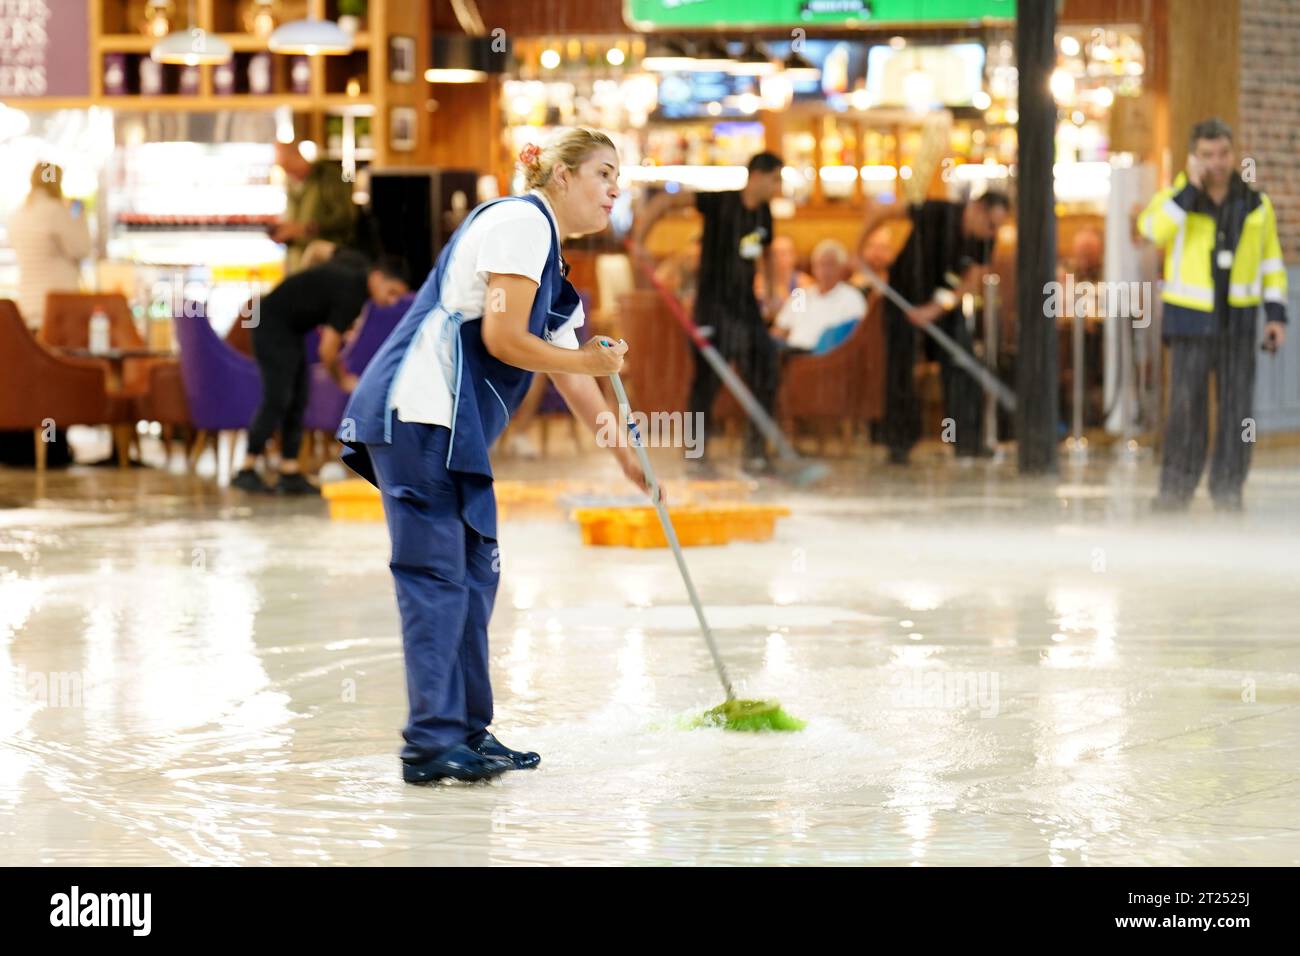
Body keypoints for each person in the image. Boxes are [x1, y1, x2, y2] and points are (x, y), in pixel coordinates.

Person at [337, 128, 650, 784]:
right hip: (421, 410)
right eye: (602, 172)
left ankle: (468, 732)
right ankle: (431, 742)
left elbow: (570, 375)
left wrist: (624, 450)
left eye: (619, 177)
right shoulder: (519, 221)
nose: (616, 188)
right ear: (560, 177)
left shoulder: (554, 269)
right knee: (437, 576)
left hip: (455, 428)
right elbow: (503, 337)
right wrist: (587, 357)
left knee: (476, 574)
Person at [1139, 118, 1287, 512]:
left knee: (1238, 413)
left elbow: (1272, 262)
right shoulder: (1177, 198)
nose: (1217, 163)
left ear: (1232, 152)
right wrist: (1190, 188)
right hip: (1190, 321)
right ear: (1194, 157)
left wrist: (1276, 316)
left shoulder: (1256, 205)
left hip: (1238, 323)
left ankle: (1228, 490)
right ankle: (1175, 491)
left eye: (1223, 153)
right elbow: (1153, 230)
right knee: (1186, 409)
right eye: (1207, 155)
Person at [632, 152, 785, 472]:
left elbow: (767, 253)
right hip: (712, 307)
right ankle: (695, 452)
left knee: (766, 368)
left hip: (746, 308)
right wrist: (640, 240)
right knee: (707, 381)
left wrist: (770, 292)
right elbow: (663, 202)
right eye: (775, 179)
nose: (778, 186)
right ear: (757, 175)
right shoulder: (719, 203)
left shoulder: (764, 214)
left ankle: (755, 452)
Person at [232, 255, 410, 495]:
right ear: (377, 278)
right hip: (271, 324)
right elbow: (327, 350)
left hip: (290, 329)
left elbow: (318, 250)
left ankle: (289, 470)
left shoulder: (357, 272)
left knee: (298, 397)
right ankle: (246, 468)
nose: (392, 301)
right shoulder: (352, 294)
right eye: (391, 292)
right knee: (278, 397)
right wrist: (342, 379)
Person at [859, 191, 1010, 464]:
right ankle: (899, 443)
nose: (993, 231)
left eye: (997, 227)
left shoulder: (984, 240)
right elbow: (882, 213)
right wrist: (858, 251)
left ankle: (967, 441)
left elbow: (969, 281)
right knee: (899, 368)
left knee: (961, 363)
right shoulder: (935, 210)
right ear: (976, 209)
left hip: (942, 304)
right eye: (991, 224)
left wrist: (934, 310)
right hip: (902, 297)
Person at [7, 162, 91, 331]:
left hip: (28, 306)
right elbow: (82, 248)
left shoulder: (17, 214)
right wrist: (79, 216)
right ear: (57, 181)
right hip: (58, 308)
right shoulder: (57, 211)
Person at [270, 140, 358, 273]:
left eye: (287, 167)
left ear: (296, 156)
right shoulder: (291, 184)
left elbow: (346, 216)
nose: (288, 174)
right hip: (297, 266)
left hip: (326, 265)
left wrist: (307, 228)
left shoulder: (327, 176)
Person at [772, 239, 866, 353]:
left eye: (830, 265)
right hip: (793, 356)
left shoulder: (852, 298)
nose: (824, 270)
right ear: (813, 267)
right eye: (820, 264)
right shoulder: (801, 295)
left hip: (828, 359)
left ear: (841, 268)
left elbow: (856, 338)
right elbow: (780, 329)